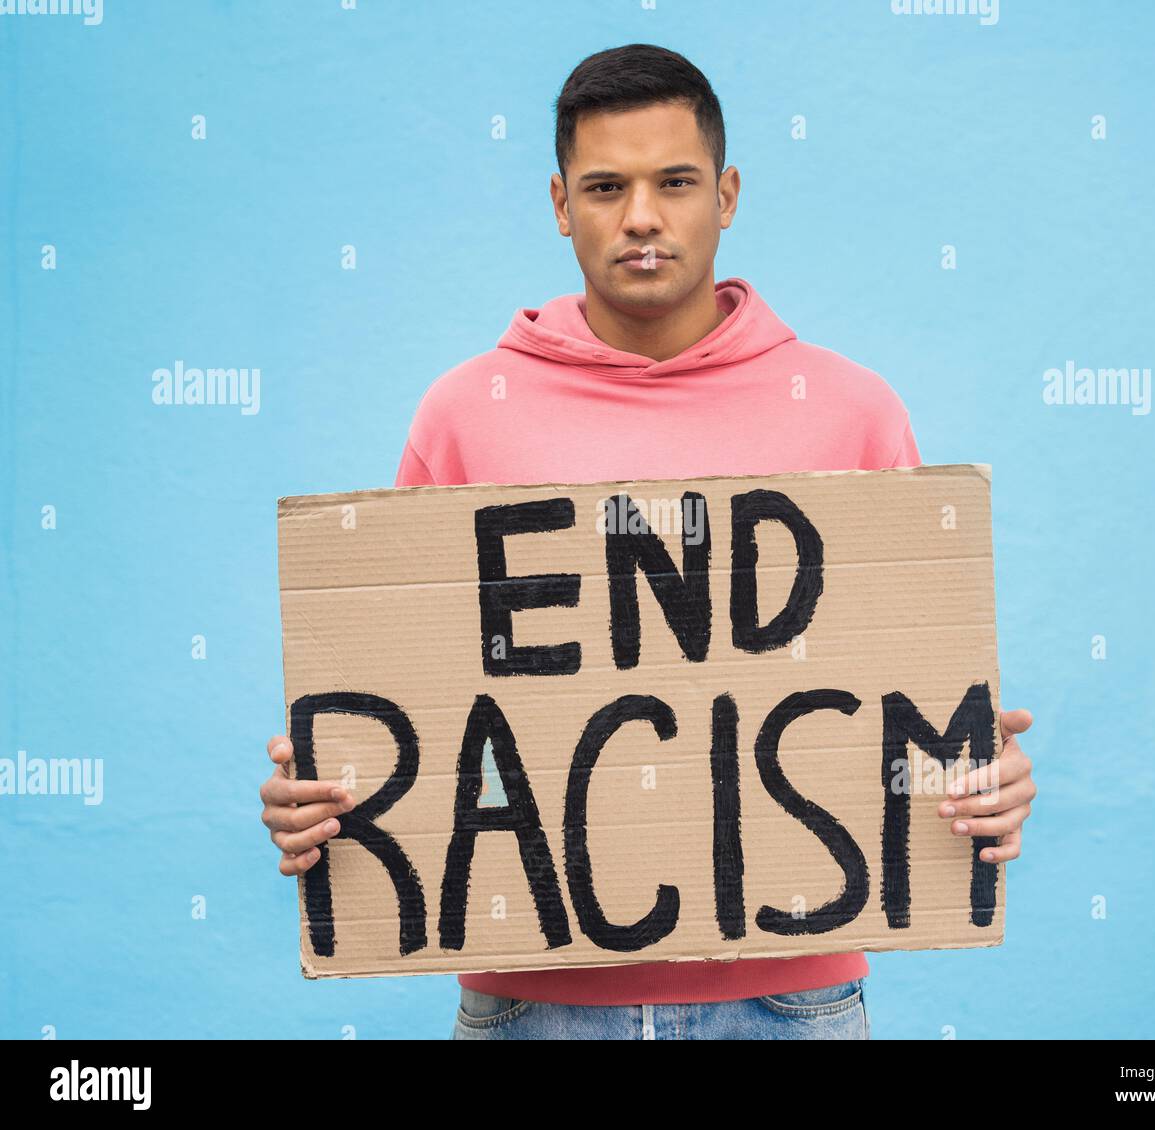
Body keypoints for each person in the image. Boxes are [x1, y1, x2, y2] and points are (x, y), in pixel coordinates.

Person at [258, 42, 1038, 1040]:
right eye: (604, 186)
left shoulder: (851, 412)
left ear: (726, 194)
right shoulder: (464, 414)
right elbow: (416, 697)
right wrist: (328, 788)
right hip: (530, 1003)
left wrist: (975, 783)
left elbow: (905, 704)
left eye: (673, 182)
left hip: (789, 999)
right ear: (558, 202)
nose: (639, 216)